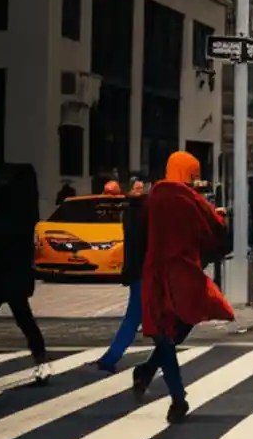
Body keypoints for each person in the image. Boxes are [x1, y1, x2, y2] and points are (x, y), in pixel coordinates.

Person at [132, 151, 234, 424]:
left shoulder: (151, 200)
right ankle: (167, 389)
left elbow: (138, 237)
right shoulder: (193, 201)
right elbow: (215, 235)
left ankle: (170, 391)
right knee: (187, 319)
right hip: (186, 273)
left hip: (155, 274)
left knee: (163, 336)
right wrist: (220, 217)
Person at [0, 164, 50, 383]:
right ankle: (42, 363)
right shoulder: (22, 223)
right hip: (14, 281)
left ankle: (42, 362)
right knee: (26, 321)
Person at [96, 191, 148, 373]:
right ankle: (111, 358)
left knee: (136, 318)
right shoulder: (141, 215)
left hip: (137, 273)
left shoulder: (129, 214)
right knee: (137, 318)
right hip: (145, 273)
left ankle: (111, 358)